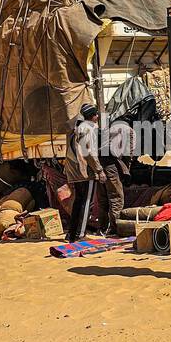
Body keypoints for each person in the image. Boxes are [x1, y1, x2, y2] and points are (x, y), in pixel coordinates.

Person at [64, 103, 105, 242]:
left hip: (73, 170)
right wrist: (99, 170)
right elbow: (89, 153)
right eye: (96, 114)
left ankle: (71, 233)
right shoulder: (88, 128)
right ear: (93, 116)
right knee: (87, 202)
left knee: (78, 201)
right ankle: (79, 235)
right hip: (85, 171)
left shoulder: (75, 127)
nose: (98, 117)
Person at [98, 113, 134, 235]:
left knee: (103, 198)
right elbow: (129, 153)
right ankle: (116, 229)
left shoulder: (107, 129)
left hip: (99, 164)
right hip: (111, 165)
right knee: (116, 197)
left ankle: (102, 228)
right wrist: (126, 170)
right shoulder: (129, 130)